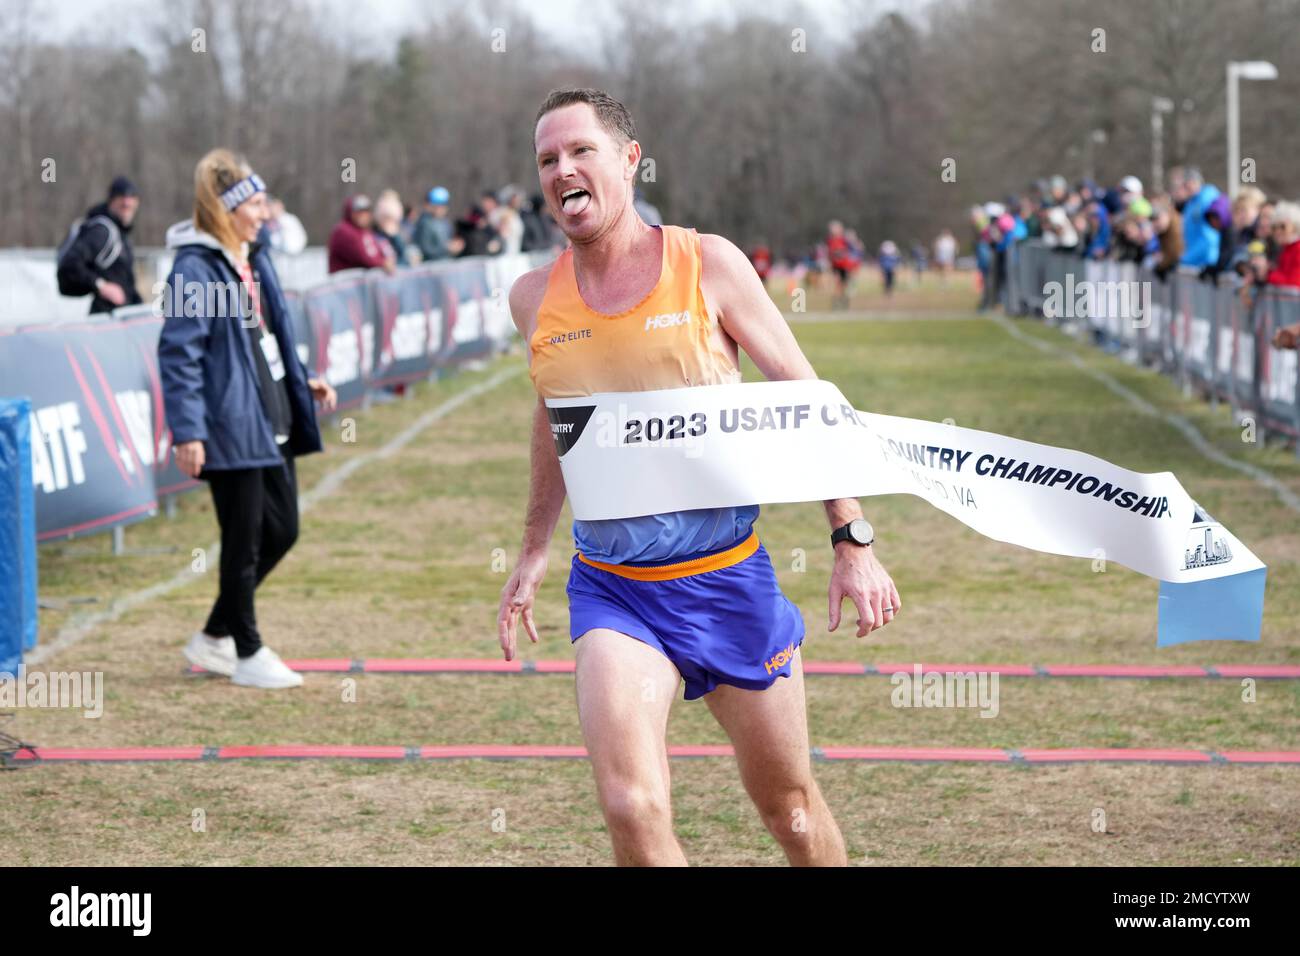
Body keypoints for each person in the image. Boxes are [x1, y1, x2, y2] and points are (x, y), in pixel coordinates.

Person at [498, 88, 899, 867]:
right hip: (614, 588)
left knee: (789, 810)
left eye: (582, 151)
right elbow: (555, 419)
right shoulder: (532, 298)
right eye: (548, 159)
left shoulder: (706, 262)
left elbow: (802, 393)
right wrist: (533, 546)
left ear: (630, 160)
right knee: (630, 804)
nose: (563, 170)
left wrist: (851, 536)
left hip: (725, 578)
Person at [158, 148, 337, 689]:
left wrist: (300, 380)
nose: (266, 212)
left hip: (271, 413)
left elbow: (264, 340)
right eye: (255, 203)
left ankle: (214, 634)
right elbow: (180, 354)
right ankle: (248, 650)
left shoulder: (253, 257)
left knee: (282, 530)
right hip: (231, 426)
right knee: (243, 542)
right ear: (226, 207)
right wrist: (188, 431)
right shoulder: (195, 267)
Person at [57, 175, 143, 314]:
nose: (127, 202)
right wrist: (101, 285)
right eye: (121, 197)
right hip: (107, 321)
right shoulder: (102, 232)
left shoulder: (120, 233)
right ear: (111, 201)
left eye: (132, 197)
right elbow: (70, 265)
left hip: (121, 320)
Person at [327, 194, 395, 274]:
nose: (363, 215)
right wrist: (383, 263)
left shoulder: (365, 231)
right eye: (359, 212)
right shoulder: (343, 230)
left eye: (366, 211)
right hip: (343, 283)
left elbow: (376, 252)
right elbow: (363, 258)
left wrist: (387, 260)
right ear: (350, 212)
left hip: (361, 283)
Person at [412, 187, 464, 262]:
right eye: (438, 205)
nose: (441, 208)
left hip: (446, 263)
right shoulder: (425, 223)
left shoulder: (445, 223)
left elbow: (448, 241)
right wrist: (447, 249)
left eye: (443, 205)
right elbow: (425, 249)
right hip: (431, 266)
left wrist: (455, 246)